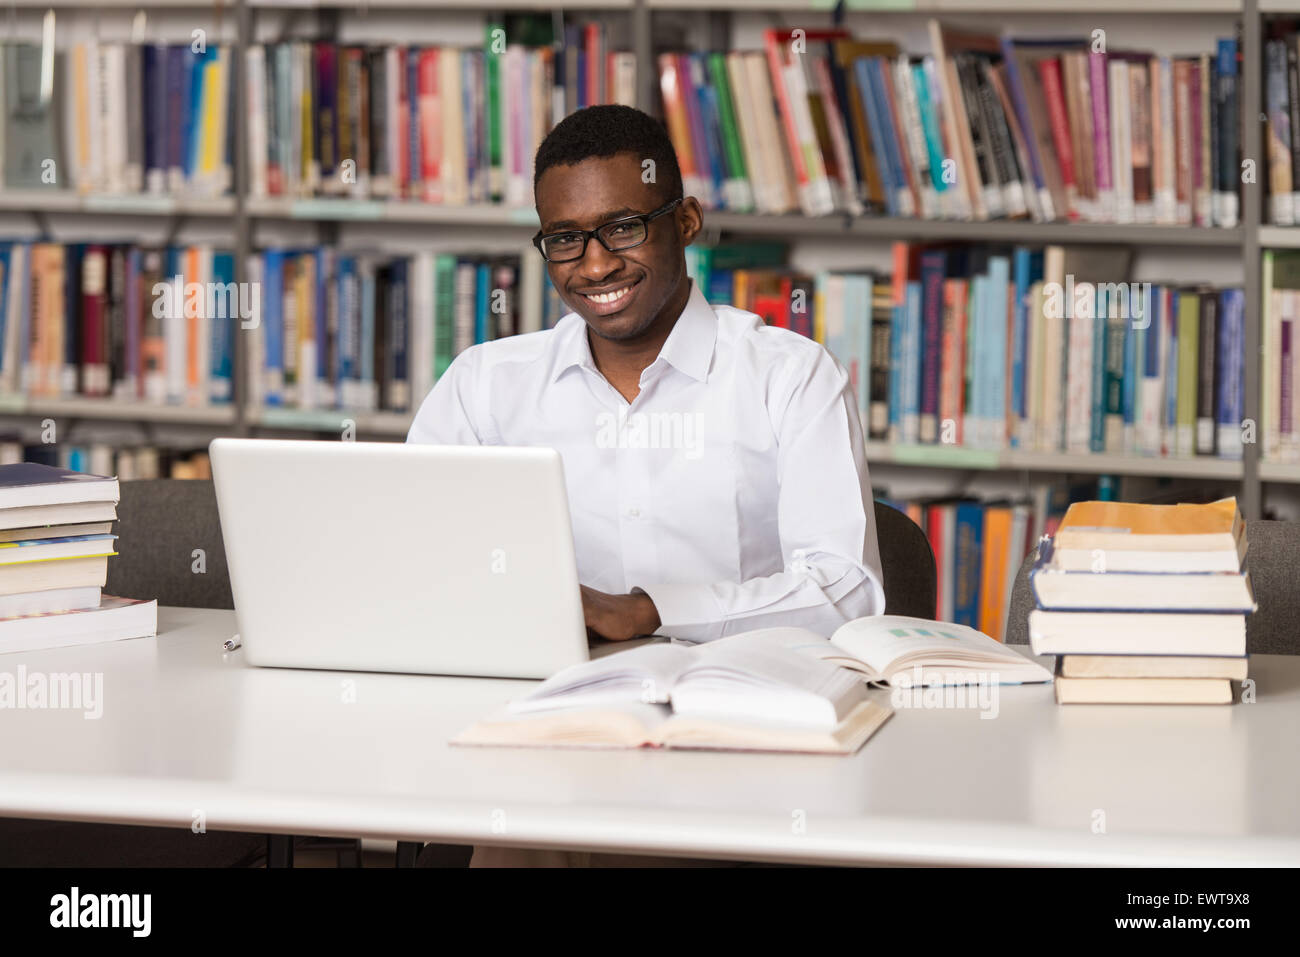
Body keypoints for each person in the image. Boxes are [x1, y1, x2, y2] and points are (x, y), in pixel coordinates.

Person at [407, 104, 885, 866]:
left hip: (739, 749)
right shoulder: (485, 385)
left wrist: (650, 611)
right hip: (544, 739)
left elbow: (846, 590)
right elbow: (409, 556)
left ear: (686, 220)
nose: (594, 265)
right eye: (565, 239)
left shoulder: (788, 376)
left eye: (623, 227)